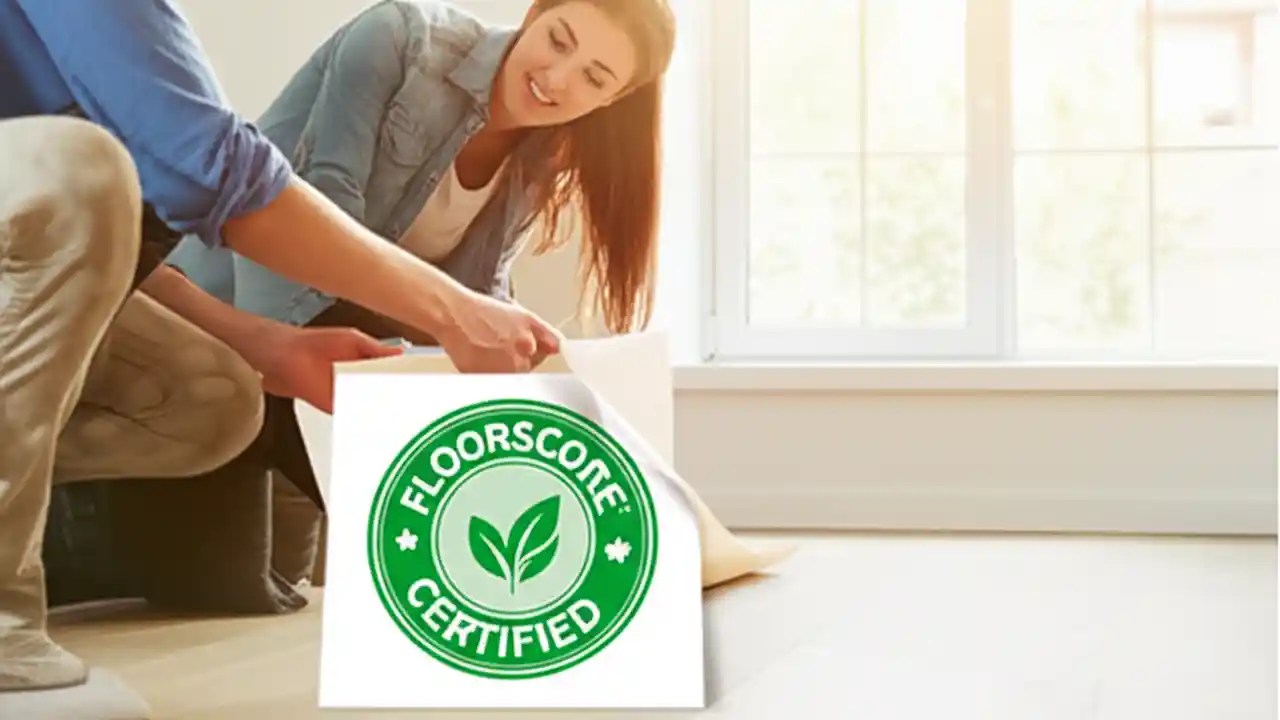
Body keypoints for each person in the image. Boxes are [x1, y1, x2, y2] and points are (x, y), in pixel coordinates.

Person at [0, 0, 561, 716]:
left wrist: (270, 349)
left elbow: (104, 238)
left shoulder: (535, 164)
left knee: (210, 399)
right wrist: (451, 310)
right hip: (229, 265)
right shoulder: (403, 43)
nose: (563, 79)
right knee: (80, 167)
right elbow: (205, 164)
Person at [172, 0, 677, 344]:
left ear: (610, 100)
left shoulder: (546, 155)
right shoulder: (400, 40)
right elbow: (320, 211)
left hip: (358, 343)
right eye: (558, 40)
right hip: (227, 311)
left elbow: (479, 287)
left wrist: (534, 353)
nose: (557, 78)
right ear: (535, 11)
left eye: (592, 78)